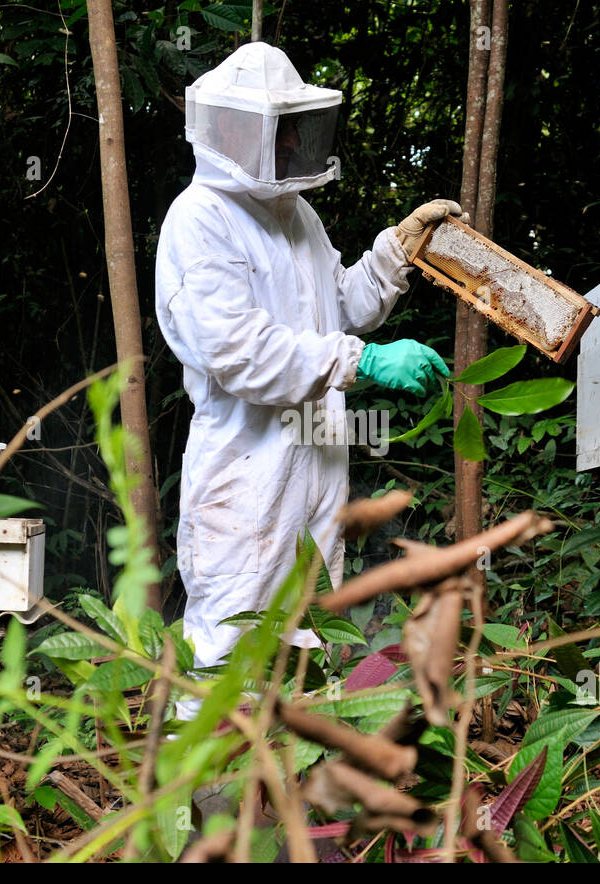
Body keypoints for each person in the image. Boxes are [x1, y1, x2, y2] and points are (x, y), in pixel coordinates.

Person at [154, 42, 462, 717]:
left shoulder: (297, 216)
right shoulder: (199, 220)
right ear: (236, 130)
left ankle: (284, 813)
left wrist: (392, 254)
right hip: (243, 478)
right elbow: (239, 352)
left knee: (307, 646)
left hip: (316, 469)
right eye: (280, 125)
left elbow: (335, 304)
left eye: (297, 124)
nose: (293, 139)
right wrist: (363, 362)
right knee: (227, 651)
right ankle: (208, 812)